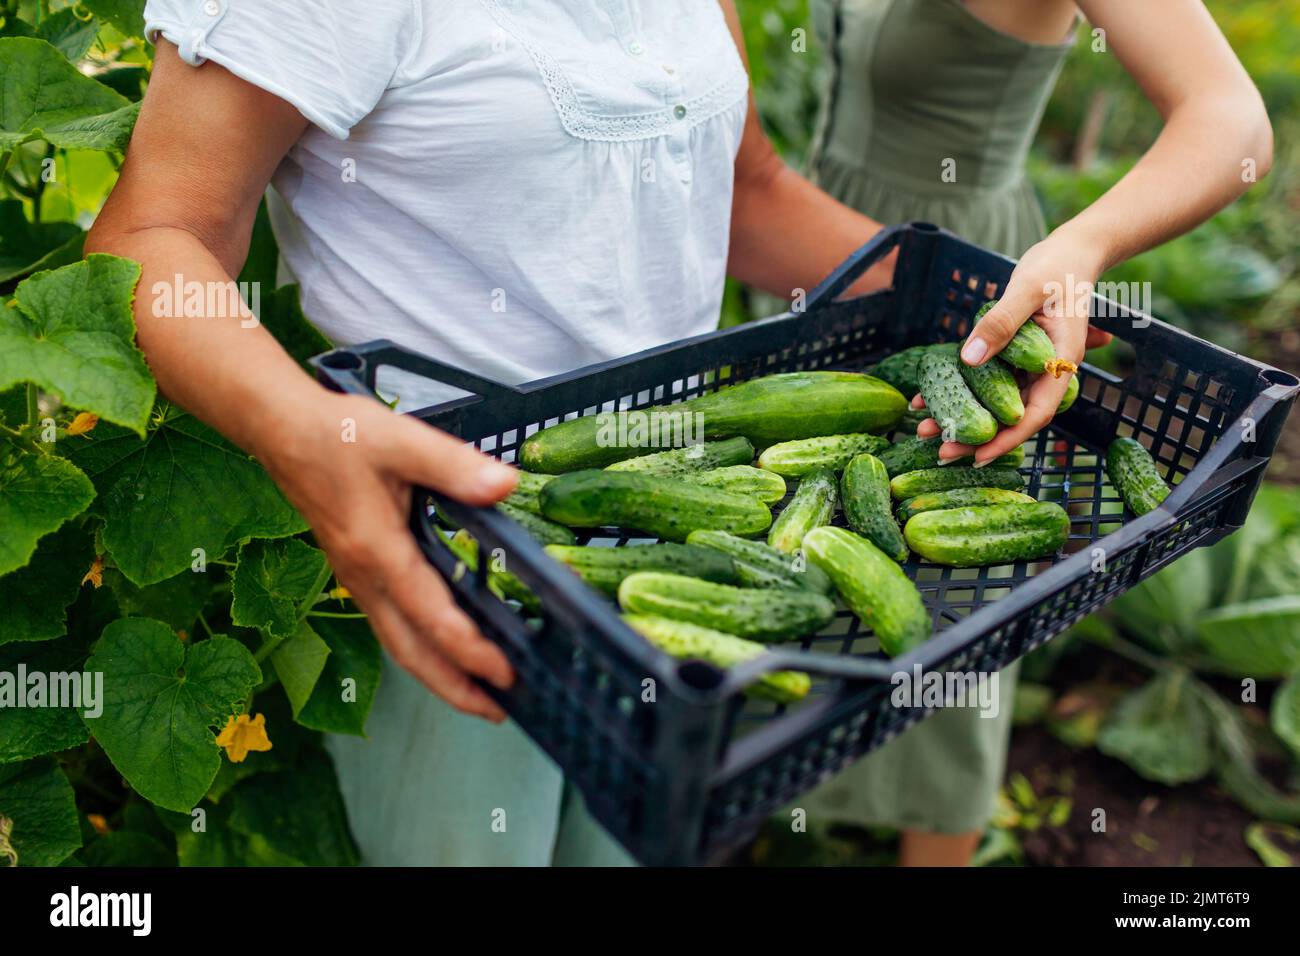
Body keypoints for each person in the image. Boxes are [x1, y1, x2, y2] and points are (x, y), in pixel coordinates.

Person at [88, 0, 894, 865]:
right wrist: (302, 430)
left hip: (686, 520)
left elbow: (747, 191)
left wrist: (981, 306)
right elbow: (151, 234)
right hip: (438, 548)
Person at [793, 0, 1271, 866]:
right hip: (827, 264)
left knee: (951, 616)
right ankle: (803, 811)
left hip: (982, 296)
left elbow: (1232, 120)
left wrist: (1084, 245)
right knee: (820, 571)